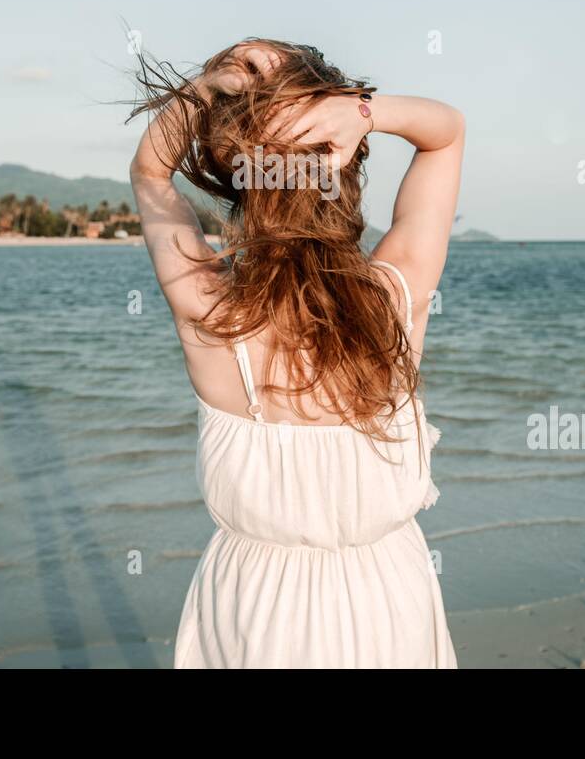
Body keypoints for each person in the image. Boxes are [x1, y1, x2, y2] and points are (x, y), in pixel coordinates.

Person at [128, 38, 465, 668]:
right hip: (388, 605)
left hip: (256, 614)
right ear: (347, 171)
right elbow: (445, 133)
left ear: (239, 181)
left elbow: (150, 171)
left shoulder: (212, 316)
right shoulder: (396, 297)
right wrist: (361, 111)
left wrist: (211, 89)